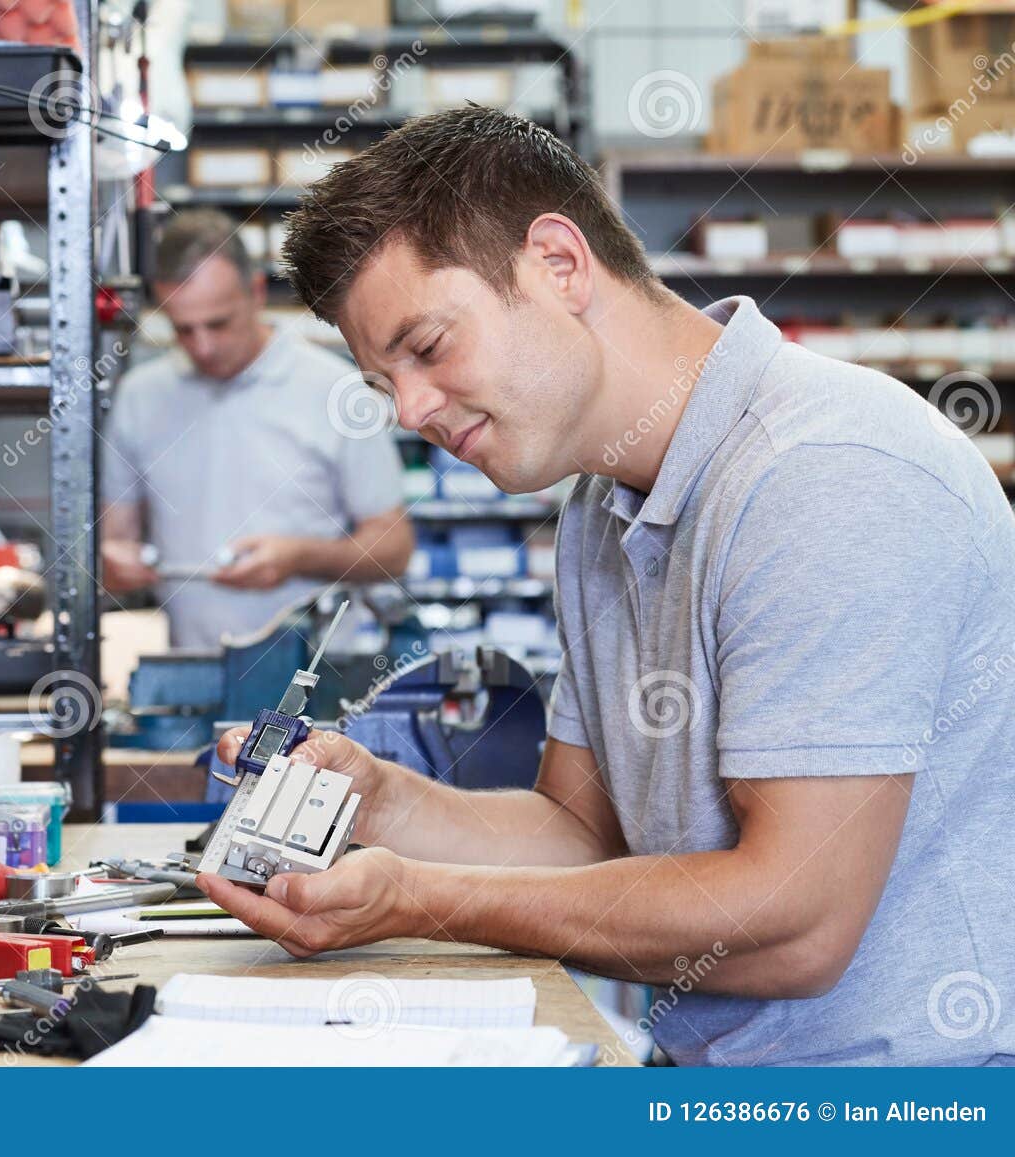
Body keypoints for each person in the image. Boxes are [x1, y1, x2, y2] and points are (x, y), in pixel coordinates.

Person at [198, 106, 1015, 1066]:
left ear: (559, 264)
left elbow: (802, 924)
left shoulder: (824, 472)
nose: (411, 410)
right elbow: (582, 833)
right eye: (384, 385)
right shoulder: (602, 500)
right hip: (715, 1074)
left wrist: (415, 897)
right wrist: (379, 804)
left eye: (426, 348)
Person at [101, 209, 413, 649]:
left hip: (314, 680)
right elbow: (116, 539)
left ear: (256, 291)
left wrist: (299, 557)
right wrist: (114, 562)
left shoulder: (335, 390)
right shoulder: (139, 396)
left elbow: (394, 548)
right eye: (183, 329)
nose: (203, 347)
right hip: (188, 673)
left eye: (218, 323)